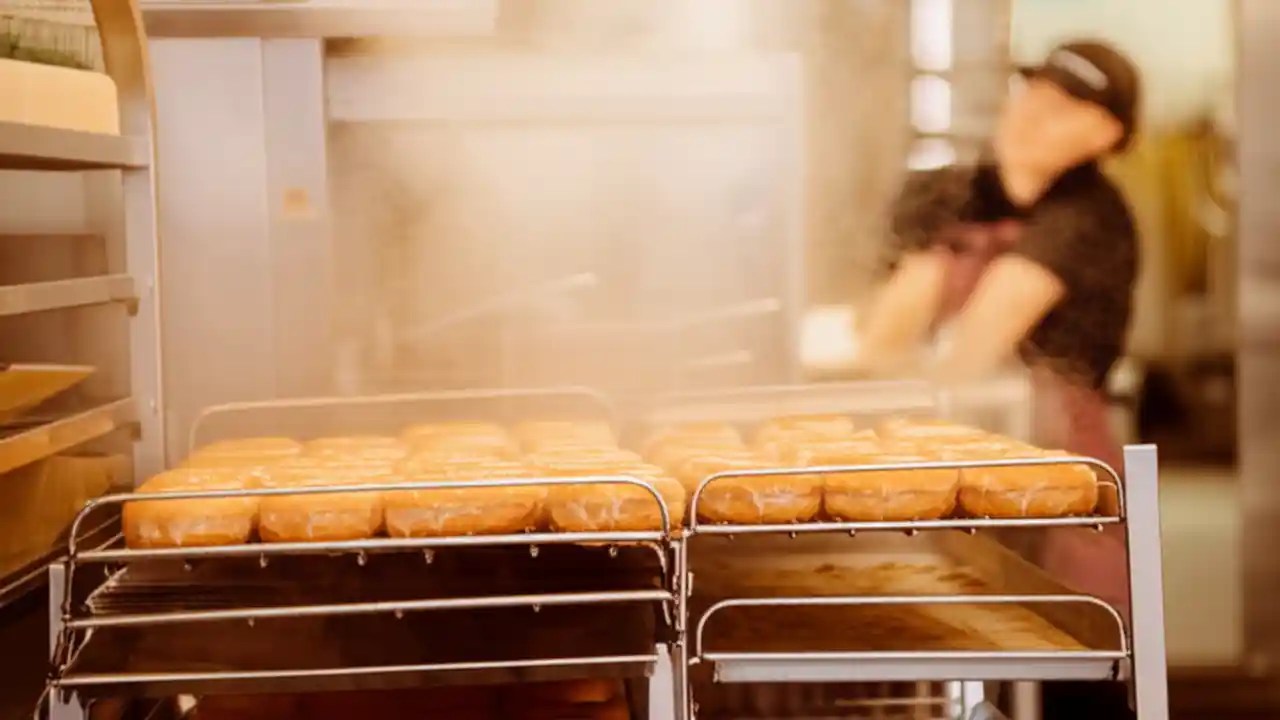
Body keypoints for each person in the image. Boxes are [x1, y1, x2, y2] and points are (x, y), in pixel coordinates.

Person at [855, 40, 1142, 719]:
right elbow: (877, 341)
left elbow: (974, 348)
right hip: (941, 469)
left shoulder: (1092, 216)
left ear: (1109, 134)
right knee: (939, 671)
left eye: (1063, 106)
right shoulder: (948, 191)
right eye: (1031, 94)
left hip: (1058, 479)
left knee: (1066, 665)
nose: (1033, 114)